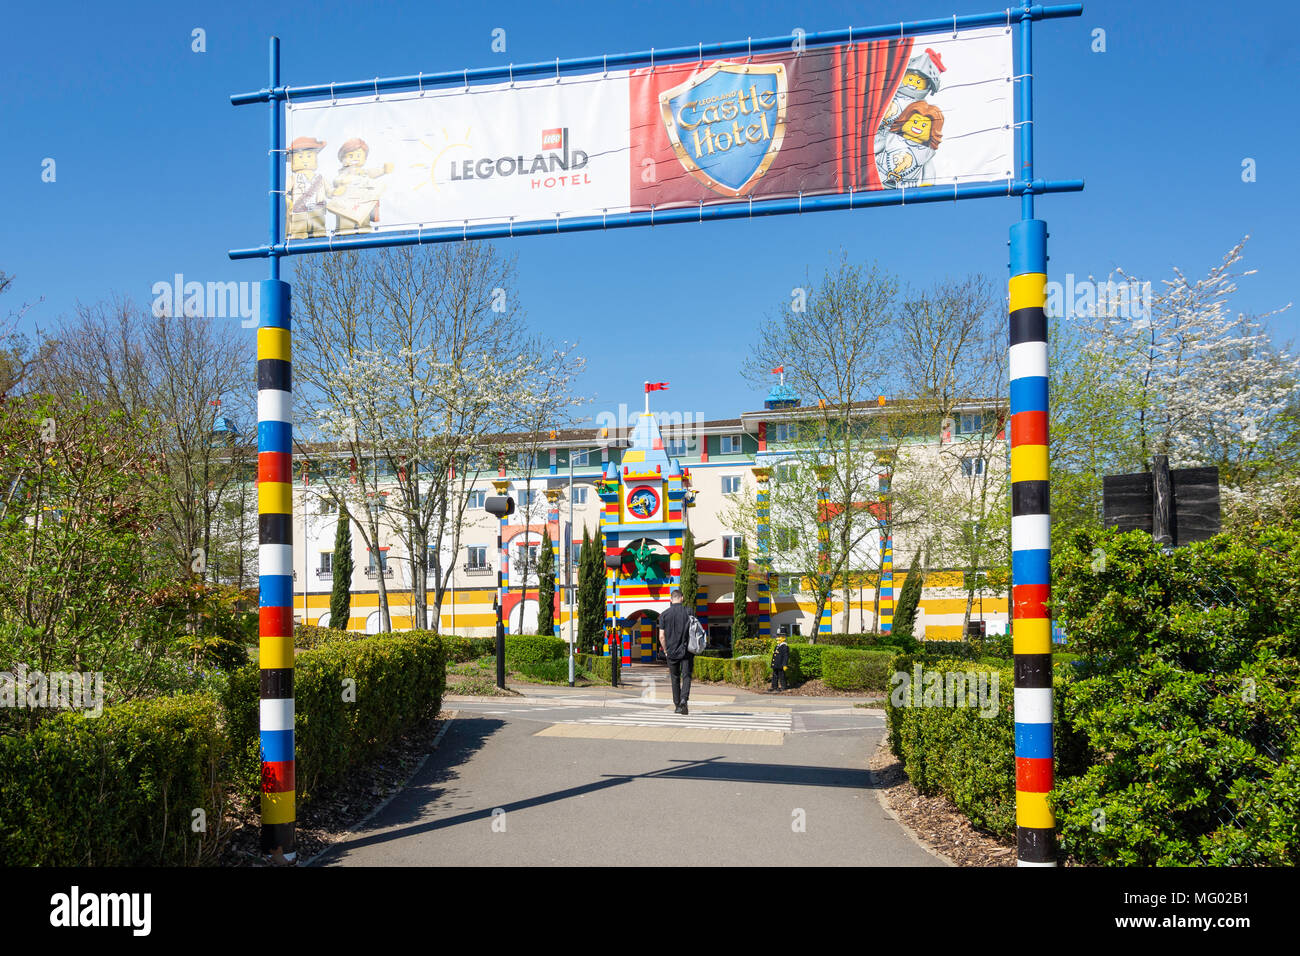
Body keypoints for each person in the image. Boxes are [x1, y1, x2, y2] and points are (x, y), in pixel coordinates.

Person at [658, 588, 694, 715]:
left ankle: (678, 705)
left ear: (670, 599)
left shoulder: (664, 614)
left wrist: (666, 650)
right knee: (686, 676)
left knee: (674, 678)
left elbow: (661, 636)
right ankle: (684, 699)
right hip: (686, 651)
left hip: (671, 652)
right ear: (682, 598)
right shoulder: (689, 611)